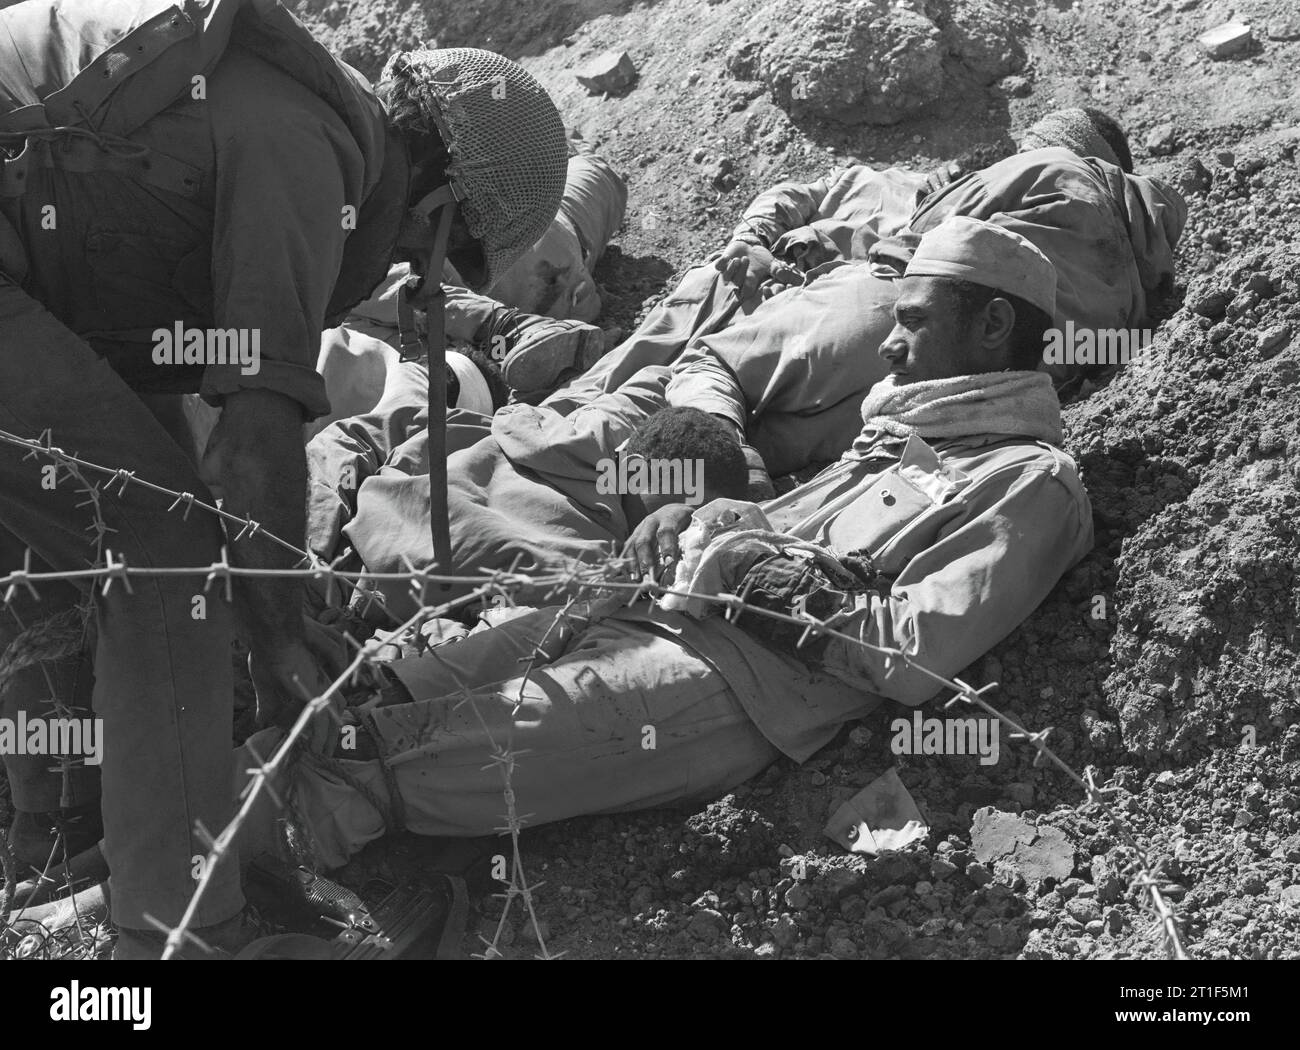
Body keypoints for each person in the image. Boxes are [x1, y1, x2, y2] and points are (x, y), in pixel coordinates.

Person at [232, 217, 1094, 871]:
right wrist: (703, 520)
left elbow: (917, 656)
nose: (892, 342)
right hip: (649, 605)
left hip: (737, 685)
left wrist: (756, 562)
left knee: (369, 766)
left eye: (914, 322)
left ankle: (163, 899)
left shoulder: (1029, 482)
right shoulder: (900, 435)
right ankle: (145, 843)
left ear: (988, 331)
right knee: (367, 690)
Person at [0, 0, 568, 958]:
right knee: (159, 546)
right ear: (433, 201)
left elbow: (160, 417)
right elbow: (252, 444)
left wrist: (265, 599)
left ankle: (67, 855)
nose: (421, 275)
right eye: (450, 256)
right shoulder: (308, 151)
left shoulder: (270, 113)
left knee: (89, 514)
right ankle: (179, 937)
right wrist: (272, 636)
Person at [547, 108, 1186, 496]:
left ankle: (558, 437)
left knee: (686, 388)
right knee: (750, 452)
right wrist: (771, 240)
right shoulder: (1129, 288)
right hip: (959, 391)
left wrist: (813, 259)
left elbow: (922, 250)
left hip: (876, 306)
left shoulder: (1033, 174)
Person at [305, 364, 747, 624]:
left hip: (316, 579)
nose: (687, 525)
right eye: (685, 503)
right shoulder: (595, 565)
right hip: (322, 591)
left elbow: (349, 440)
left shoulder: (510, 430)